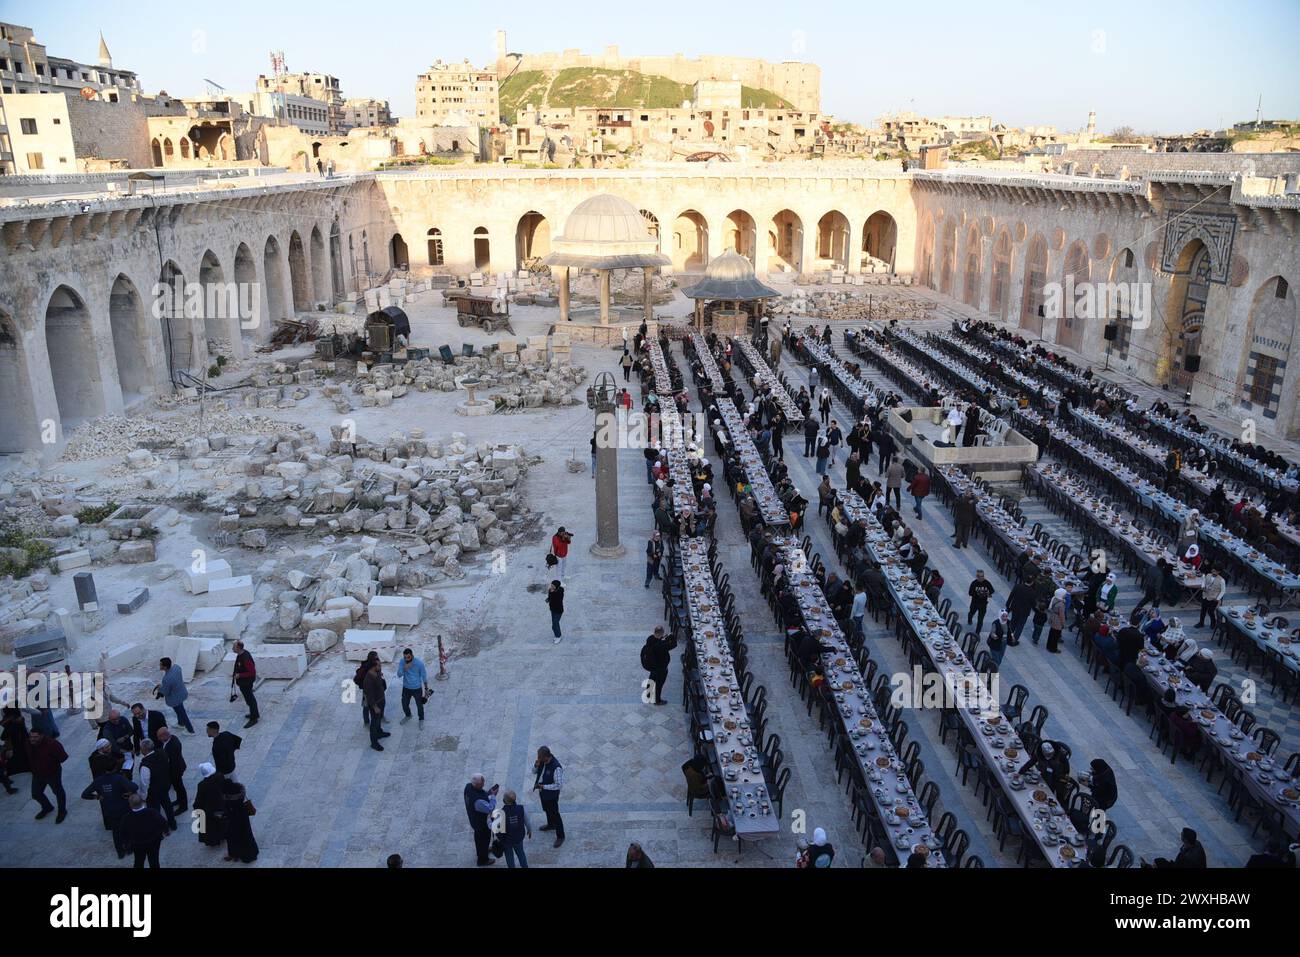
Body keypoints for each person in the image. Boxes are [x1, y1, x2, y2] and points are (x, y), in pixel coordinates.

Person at [81, 766, 137, 858]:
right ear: (115, 769)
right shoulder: (119, 778)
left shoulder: (99, 780)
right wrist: (128, 793)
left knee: (115, 831)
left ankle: (120, 852)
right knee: (127, 828)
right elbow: (134, 787)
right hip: (123, 809)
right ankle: (129, 848)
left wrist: (97, 797)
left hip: (110, 810)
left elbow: (84, 794)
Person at [26, 728, 69, 823]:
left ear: (42, 736)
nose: (32, 739)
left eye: (35, 737)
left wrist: (51, 764)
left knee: (58, 792)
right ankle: (47, 807)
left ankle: (62, 811)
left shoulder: (53, 744)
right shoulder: (29, 743)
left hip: (52, 773)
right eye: (31, 737)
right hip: (37, 773)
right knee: (36, 794)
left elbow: (63, 757)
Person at [118, 793, 168, 869]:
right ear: (142, 802)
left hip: (137, 844)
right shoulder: (152, 812)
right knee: (154, 861)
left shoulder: (126, 818)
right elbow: (163, 822)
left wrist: (125, 843)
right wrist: (165, 831)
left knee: (139, 861)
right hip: (153, 842)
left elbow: (123, 832)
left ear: (130, 805)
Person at [533, 745, 565, 848]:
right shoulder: (541, 762)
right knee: (546, 809)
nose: (538, 759)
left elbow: (559, 785)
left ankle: (561, 836)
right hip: (543, 792)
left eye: (540, 757)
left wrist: (544, 786)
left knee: (555, 814)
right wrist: (536, 765)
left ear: (546, 757)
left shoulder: (556, 767)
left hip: (551, 795)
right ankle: (551, 824)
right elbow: (533, 772)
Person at [221, 777, 258, 863]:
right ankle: (248, 854)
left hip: (233, 818)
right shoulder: (239, 790)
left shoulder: (229, 798)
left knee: (232, 837)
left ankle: (235, 854)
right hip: (243, 816)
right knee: (246, 835)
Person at [464, 774, 498, 866]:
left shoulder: (468, 787)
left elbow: (481, 794)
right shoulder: (478, 801)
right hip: (481, 823)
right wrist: (493, 796)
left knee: (479, 839)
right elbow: (490, 808)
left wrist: (488, 793)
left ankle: (482, 851)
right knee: (484, 839)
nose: (484, 784)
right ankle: (483, 860)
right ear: (477, 785)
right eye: (482, 783)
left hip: (474, 820)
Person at [154, 657, 195, 734]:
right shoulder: (177, 667)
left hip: (175, 698)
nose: (159, 666)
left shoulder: (166, 679)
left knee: (182, 713)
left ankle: (190, 730)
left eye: (161, 665)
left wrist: (160, 688)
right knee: (179, 711)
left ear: (165, 667)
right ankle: (181, 723)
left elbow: (166, 692)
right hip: (181, 692)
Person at [192, 763, 228, 848]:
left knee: (210, 826)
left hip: (210, 810)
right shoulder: (220, 777)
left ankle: (214, 840)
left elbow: (199, 800)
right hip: (222, 805)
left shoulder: (202, 785)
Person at [155, 726, 188, 814]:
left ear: (165, 735)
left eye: (159, 737)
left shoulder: (173, 746)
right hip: (174, 769)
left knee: (179, 787)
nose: (158, 739)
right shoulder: (169, 740)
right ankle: (179, 800)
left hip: (175, 771)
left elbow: (171, 761)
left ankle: (183, 806)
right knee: (178, 787)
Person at [1142, 827, 1207, 868]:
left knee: (1160, 863)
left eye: (1182, 834)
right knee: (1159, 861)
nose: (1181, 833)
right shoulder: (1194, 843)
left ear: (1186, 839)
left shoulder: (1189, 858)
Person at [396, 648, 428, 725]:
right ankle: (408, 715)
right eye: (405, 657)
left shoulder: (419, 663)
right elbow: (399, 675)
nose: (406, 659)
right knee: (404, 704)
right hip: (406, 688)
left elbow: (424, 675)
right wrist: (404, 668)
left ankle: (421, 719)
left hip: (417, 688)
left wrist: (426, 688)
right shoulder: (402, 662)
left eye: (408, 657)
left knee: (419, 705)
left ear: (412, 655)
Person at [642, 625, 674, 705]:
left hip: (652, 666)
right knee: (659, 684)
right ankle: (657, 700)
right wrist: (671, 636)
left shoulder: (650, 639)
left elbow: (659, 642)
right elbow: (673, 644)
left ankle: (648, 694)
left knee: (651, 679)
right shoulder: (660, 645)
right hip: (660, 667)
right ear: (660, 634)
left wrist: (662, 639)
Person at [500, 790, 531, 868]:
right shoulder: (521, 808)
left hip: (507, 840)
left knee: (509, 856)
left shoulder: (501, 812)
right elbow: (527, 821)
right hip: (518, 837)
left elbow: (496, 829)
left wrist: (489, 820)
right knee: (521, 853)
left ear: (504, 801)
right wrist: (529, 830)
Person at [363, 658, 389, 751]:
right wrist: (374, 707)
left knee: (378, 720)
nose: (380, 666)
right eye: (378, 665)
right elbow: (369, 696)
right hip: (375, 704)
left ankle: (379, 732)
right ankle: (374, 742)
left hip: (381, 699)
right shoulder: (368, 680)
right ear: (373, 667)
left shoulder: (377, 672)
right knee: (374, 723)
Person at [232, 641, 258, 728]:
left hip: (247, 682)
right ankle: (254, 713)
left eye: (234, 647)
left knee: (250, 699)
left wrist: (240, 675)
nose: (232, 648)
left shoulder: (245, 657)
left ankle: (254, 718)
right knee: (248, 699)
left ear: (238, 648)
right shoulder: (241, 654)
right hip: (243, 682)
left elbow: (252, 672)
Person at [1007, 578, 1035, 646]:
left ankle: (1008, 638)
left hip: (1015, 608)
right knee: (1020, 626)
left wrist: (1008, 605)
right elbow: (1033, 603)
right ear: (1031, 583)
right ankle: (1014, 640)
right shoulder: (1032, 592)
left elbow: (1011, 595)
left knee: (1012, 623)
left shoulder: (1017, 586)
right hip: (1024, 612)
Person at [967, 570, 995, 634]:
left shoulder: (987, 583)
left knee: (980, 619)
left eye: (983, 576)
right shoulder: (974, 583)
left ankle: (977, 633)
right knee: (971, 613)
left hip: (983, 604)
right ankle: (969, 619)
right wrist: (978, 594)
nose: (982, 578)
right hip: (975, 603)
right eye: (980, 576)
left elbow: (992, 590)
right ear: (977, 577)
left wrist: (987, 593)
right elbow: (970, 593)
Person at [1045, 588, 1067, 653]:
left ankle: (1048, 646)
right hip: (1057, 620)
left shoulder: (1054, 599)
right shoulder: (1061, 604)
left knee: (1051, 633)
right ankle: (1053, 648)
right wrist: (1063, 624)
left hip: (1053, 617)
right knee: (1056, 635)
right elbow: (1062, 615)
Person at [546, 580, 565, 644]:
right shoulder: (550, 590)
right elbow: (550, 597)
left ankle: (558, 636)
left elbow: (557, 600)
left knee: (554, 624)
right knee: (555, 624)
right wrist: (548, 599)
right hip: (552, 610)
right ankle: (557, 635)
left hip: (558, 611)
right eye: (551, 585)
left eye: (553, 586)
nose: (551, 587)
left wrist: (553, 593)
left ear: (556, 586)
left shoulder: (560, 592)